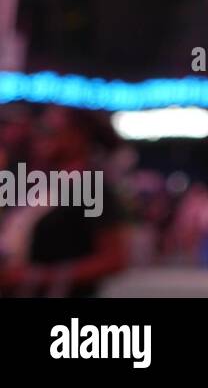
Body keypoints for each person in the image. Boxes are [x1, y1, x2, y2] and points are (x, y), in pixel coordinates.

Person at [0, 106, 129, 297]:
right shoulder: (42, 184)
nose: (40, 137)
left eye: (50, 130)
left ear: (78, 136)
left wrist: (39, 276)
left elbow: (113, 258)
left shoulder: (90, 186)